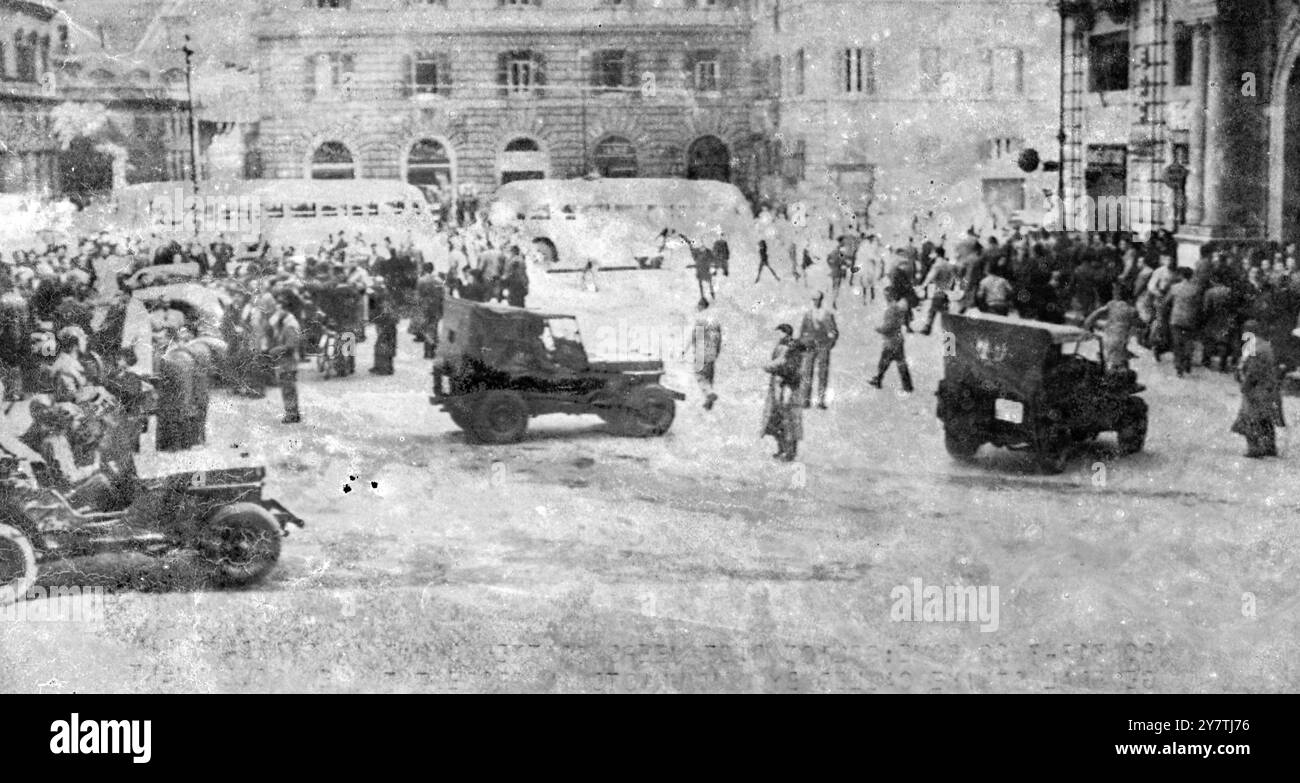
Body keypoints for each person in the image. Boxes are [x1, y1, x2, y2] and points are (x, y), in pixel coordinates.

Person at [1232, 320, 1286, 458]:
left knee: (1251, 419)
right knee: (1265, 419)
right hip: (1269, 389)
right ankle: (1270, 448)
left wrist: (1245, 386)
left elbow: (1253, 371)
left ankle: (1254, 449)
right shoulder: (1264, 345)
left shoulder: (1255, 347)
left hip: (1258, 390)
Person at [761, 323, 803, 462]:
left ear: (784, 333)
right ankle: (784, 450)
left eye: (778, 332)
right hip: (783, 386)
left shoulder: (786, 346)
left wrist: (765, 366)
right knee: (781, 420)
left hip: (784, 386)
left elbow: (781, 362)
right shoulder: (789, 345)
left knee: (785, 419)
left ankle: (788, 452)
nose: (776, 335)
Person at [1082, 284, 1140, 373]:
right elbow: (1138, 325)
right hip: (1120, 339)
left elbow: (1098, 312)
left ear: (1117, 294)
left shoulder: (1112, 304)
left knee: (1111, 360)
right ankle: (1117, 373)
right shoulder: (1132, 310)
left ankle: (1110, 372)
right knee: (1118, 361)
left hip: (1109, 336)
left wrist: (1088, 322)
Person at [797, 292, 838, 409]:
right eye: (814, 299)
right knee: (807, 373)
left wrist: (830, 343)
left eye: (818, 299)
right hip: (810, 347)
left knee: (822, 374)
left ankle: (820, 401)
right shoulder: (808, 314)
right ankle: (805, 400)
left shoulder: (827, 314)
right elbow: (802, 331)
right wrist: (803, 344)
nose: (816, 301)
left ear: (821, 300)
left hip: (823, 346)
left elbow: (834, 331)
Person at [869, 287, 914, 392]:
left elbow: (889, 327)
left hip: (891, 342)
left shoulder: (891, 310)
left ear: (889, 297)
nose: (885, 297)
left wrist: (879, 329)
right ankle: (907, 386)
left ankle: (878, 380)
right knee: (900, 363)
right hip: (898, 340)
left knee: (884, 362)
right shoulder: (898, 307)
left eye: (886, 295)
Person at [1162, 267, 1201, 377]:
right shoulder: (1196, 289)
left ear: (1181, 276)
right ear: (1191, 276)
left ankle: (1179, 367)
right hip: (1190, 319)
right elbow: (1199, 305)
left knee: (1177, 343)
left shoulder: (1175, 287)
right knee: (1188, 341)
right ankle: (1187, 360)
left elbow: (1166, 302)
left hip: (1176, 318)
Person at [270, 292, 302, 424]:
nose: (277, 311)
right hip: (286, 362)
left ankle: (292, 414)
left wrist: (276, 350)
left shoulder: (289, 325)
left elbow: (291, 345)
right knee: (287, 388)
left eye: (280, 308)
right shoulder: (285, 322)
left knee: (288, 389)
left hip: (288, 362)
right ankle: (292, 412)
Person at [690, 298, 722, 410]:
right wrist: (717, 352)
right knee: (709, 377)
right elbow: (719, 340)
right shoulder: (715, 321)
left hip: (701, 352)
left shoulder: (700, 320)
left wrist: (695, 350)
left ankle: (709, 393)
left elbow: (696, 337)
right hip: (712, 352)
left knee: (700, 375)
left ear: (701, 306)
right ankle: (709, 403)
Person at [918, 246, 955, 336]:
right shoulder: (949, 265)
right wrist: (950, 288)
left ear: (937, 254)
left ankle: (927, 328)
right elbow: (953, 278)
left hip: (939, 291)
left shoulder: (937, 265)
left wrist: (922, 287)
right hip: (946, 292)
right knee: (944, 313)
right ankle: (949, 332)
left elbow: (930, 277)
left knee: (932, 310)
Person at [371, 295, 399, 375]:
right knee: (385, 346)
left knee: (382, 347)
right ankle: (386, 367)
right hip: (389, 327)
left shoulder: (385, 305)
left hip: (386, 328)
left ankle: (383, 369)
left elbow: (383, 316)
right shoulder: (389, 304)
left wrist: (377, 321)